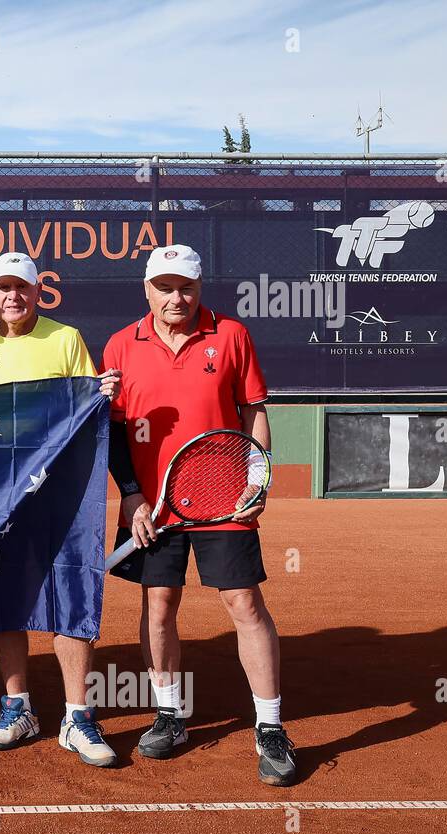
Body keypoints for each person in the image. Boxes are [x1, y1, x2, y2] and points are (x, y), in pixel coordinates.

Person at [102, 243, 296, 786]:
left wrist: (257, 478)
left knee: (244, 601)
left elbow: (255, 411)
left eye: (185, 286)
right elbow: (115, 430)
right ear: (147, 290)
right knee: (158, 603)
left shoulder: (231, 335)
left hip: (222, 495)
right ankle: (169, 714)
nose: (175, 297)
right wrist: (134, 495)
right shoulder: (120, 345)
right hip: (154, 507)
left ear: (199, 287)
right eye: (164, 287)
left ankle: (270, 725)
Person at [0, 252, 121, 765]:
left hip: (63, 495)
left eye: (22, 288)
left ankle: (78, 715)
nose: (13, 297)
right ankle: (18, 706)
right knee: (6, 596)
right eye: (3, 288)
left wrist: (102, 394)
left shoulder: (66, 339)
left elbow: (89, 406)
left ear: (38, 292)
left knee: (72, 589)